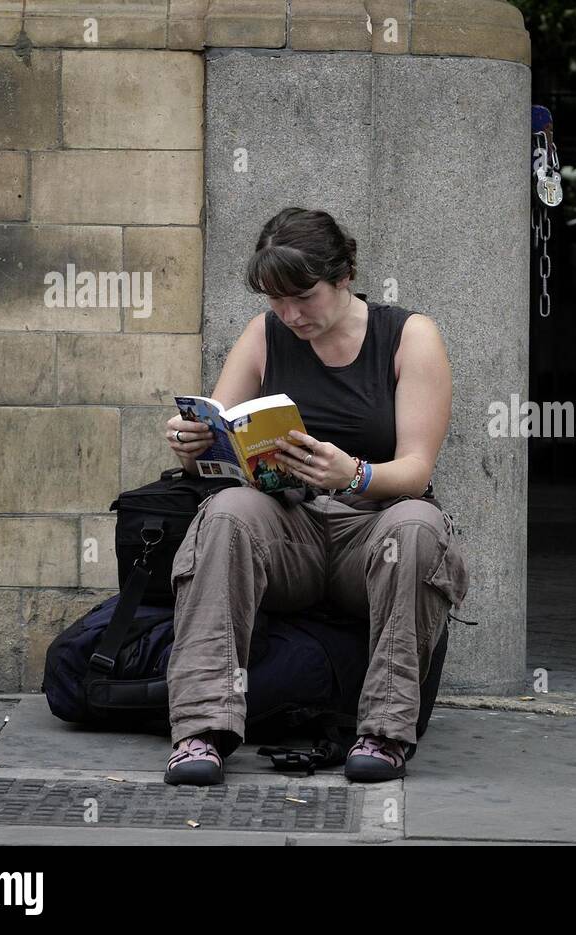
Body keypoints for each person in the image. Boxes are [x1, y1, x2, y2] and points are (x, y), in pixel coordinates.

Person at [162, 207, 469, 786]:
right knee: (225, 513)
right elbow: (220, 443)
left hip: (372, 533)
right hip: (290, 529)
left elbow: (415, 469)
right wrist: (191, 441)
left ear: (344, 274)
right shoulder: (264, 333)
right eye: (276, 300)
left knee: (419, 528)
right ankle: (202, 730)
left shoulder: (409, 336)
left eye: (303, 296)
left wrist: (351, 475)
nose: (290, 314)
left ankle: (383, 733)